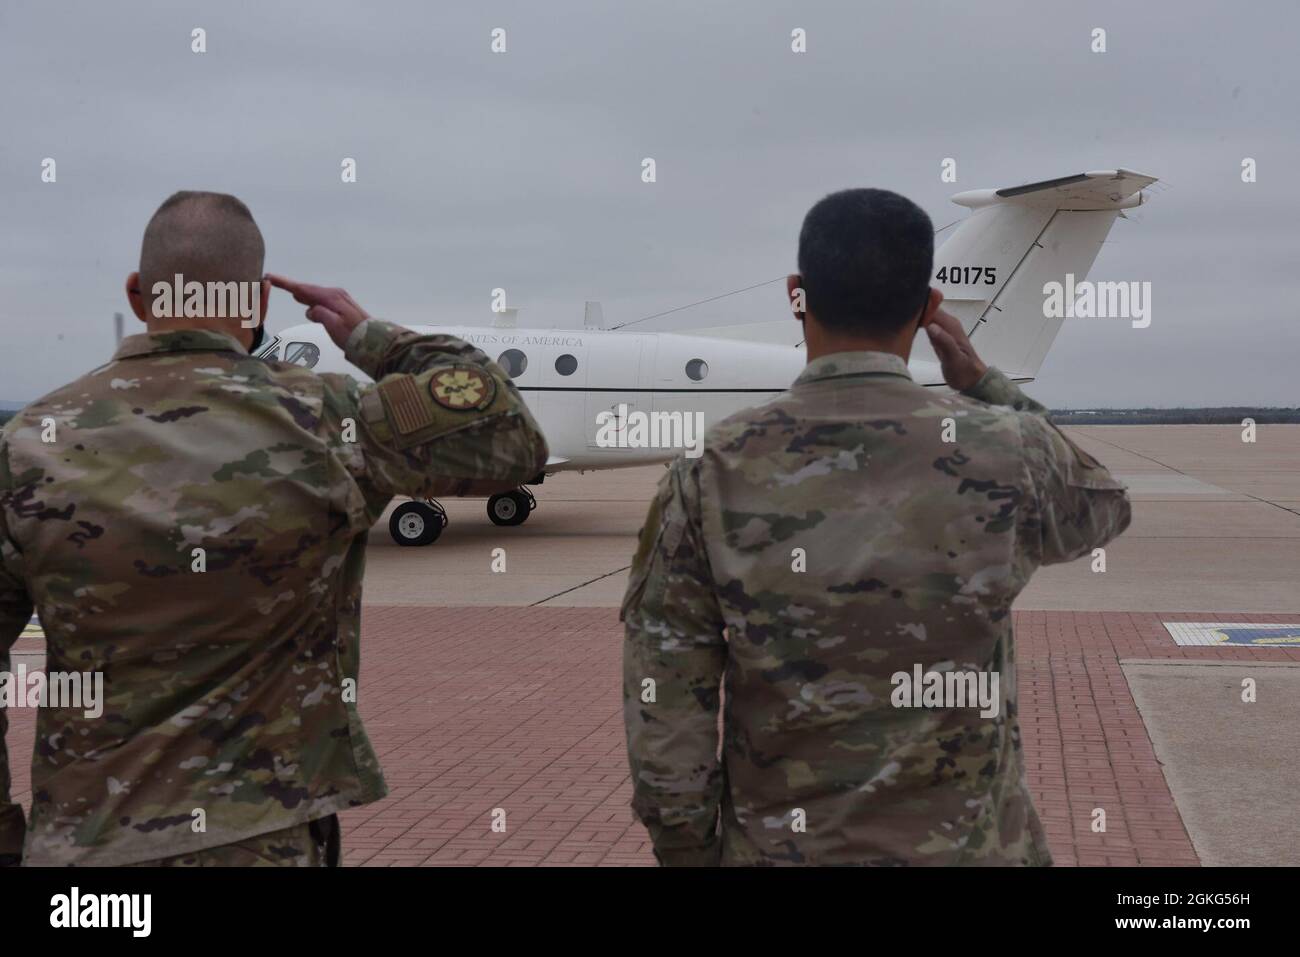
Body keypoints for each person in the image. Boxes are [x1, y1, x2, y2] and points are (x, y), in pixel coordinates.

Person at [0, 191, 548, 866]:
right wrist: (370, 336)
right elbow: (513, 438)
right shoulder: (325, 417)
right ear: (257, 303)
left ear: (139, 295)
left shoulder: (28, 444)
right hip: (260, 837)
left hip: (82, 856)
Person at [621, 187, 1131, 866]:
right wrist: (986, 385)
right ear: (928, 309)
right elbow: (1104, 508)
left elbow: (667, 696)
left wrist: (688, 849)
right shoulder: (1008, 449)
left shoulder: (712, 470)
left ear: (798, 294)